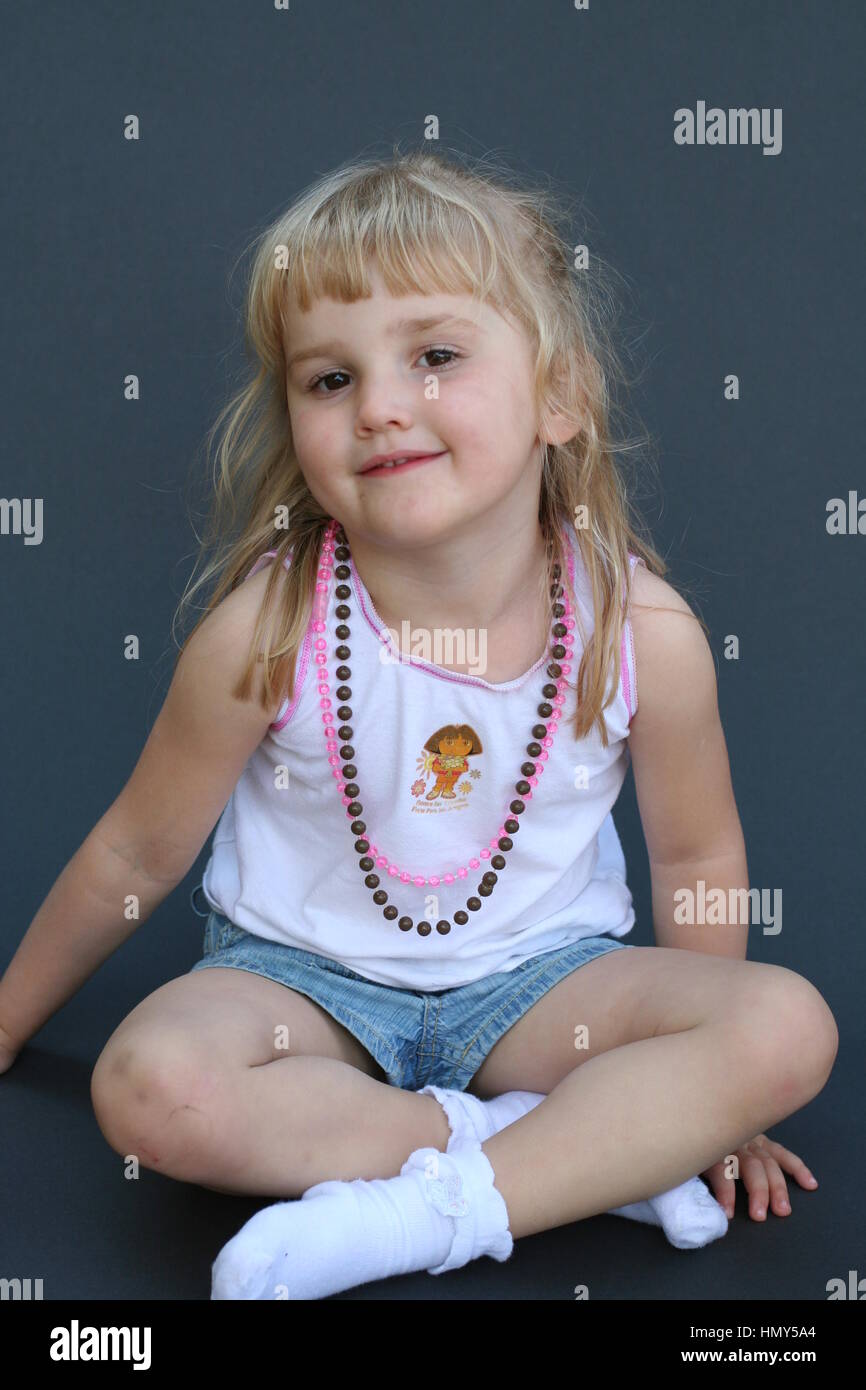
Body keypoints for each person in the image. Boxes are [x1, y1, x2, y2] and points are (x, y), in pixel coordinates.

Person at [0, 148, 837, 1300]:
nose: (382, 404)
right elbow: (136, 855)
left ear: (560, 395)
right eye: (327, 379)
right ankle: (568, 1156)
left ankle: (425, 1210)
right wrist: (4, 1019)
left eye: (435, 356)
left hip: (547, 989)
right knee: (149, 1087)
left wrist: (721, 1107)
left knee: (784, 1029)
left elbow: (695, 858)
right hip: (303, 991)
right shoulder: (267, 628)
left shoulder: (640, 626)